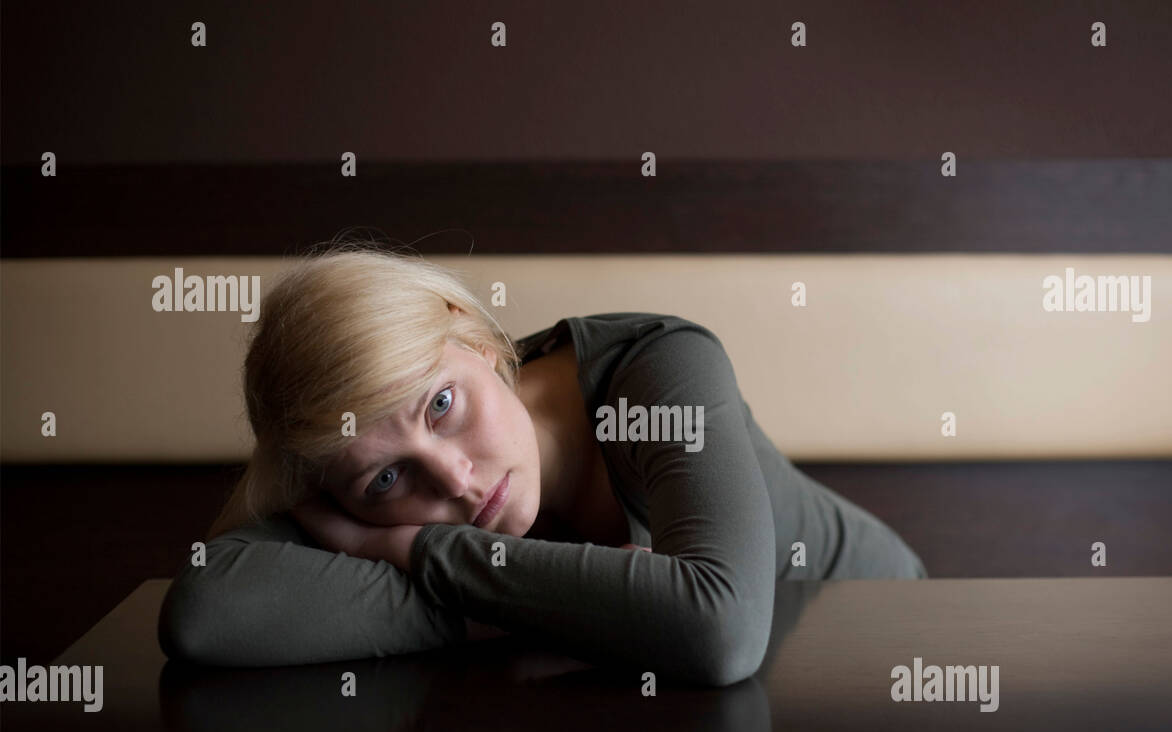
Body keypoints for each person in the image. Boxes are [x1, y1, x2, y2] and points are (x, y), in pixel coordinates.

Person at [158, 245, 927, 685]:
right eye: (387, 479)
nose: (455, 483)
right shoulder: (354, 493)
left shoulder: (657, 368)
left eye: (441, 406)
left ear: (478, 340)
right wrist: (592, 602)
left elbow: (717, 630)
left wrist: (417, 550)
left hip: (886, 645)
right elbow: (206, 615)